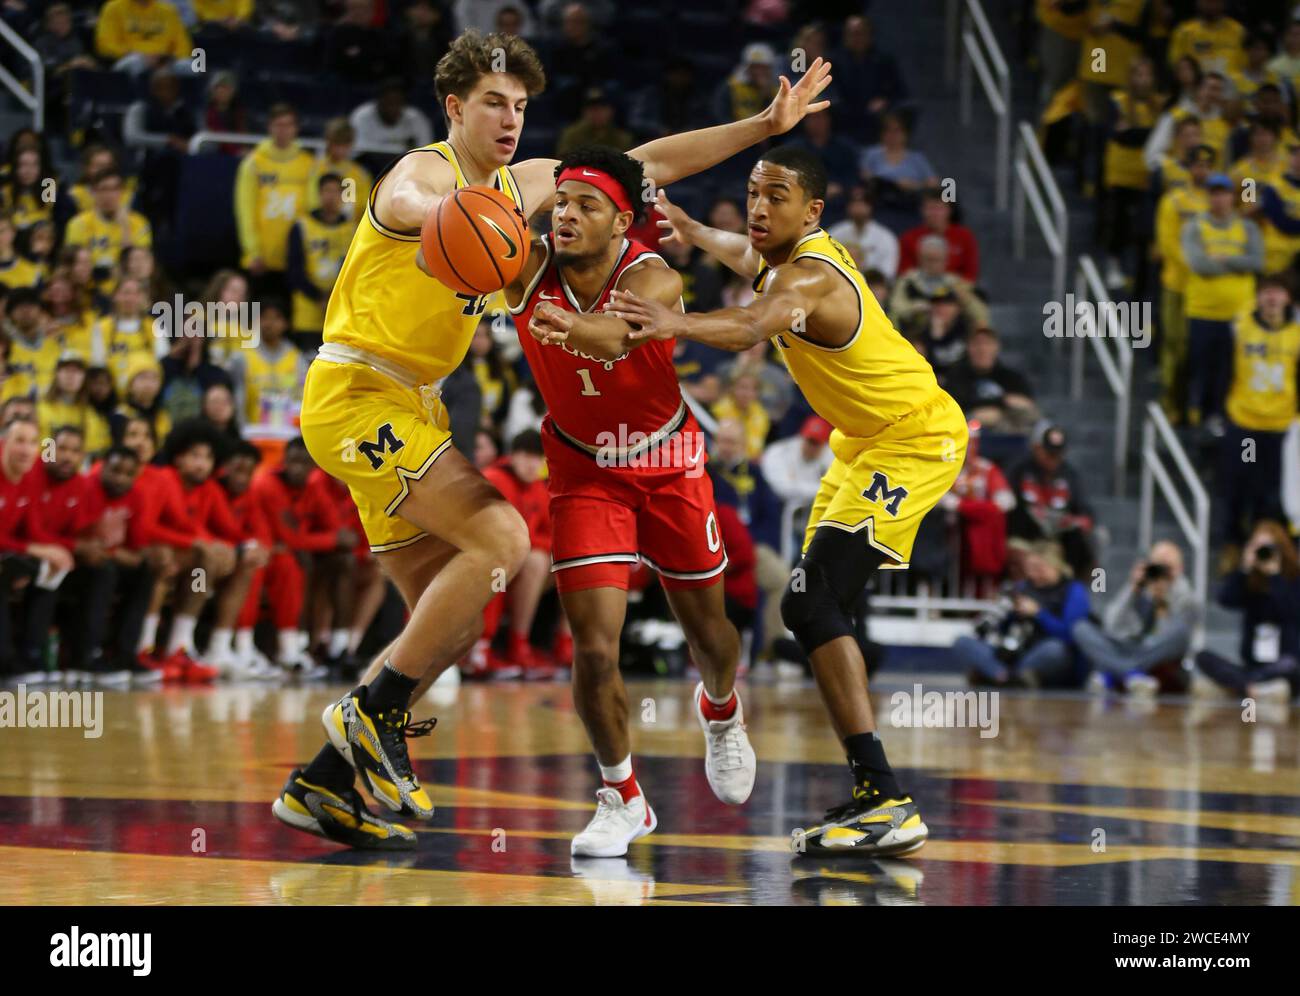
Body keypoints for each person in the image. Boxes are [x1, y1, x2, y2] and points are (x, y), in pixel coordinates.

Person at [279, 29, 832, 850]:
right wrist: (458, 218)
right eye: (494, 104)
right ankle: (369, 715)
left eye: (522, 106)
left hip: (418, 406)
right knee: (502, 536)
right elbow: (403, 203)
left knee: (451, 616)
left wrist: (762, 126)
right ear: (455, 107)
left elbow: (645, 164)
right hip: (359, 391)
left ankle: (324, 781)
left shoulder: (533, 184)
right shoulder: (425, 174)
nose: (510, 120)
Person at [603, 144, 967, 856]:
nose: (759, 207)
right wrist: (696, 231)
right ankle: (879, 795)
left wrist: (676, 325)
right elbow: (749, 257)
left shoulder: (810, 279)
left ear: (814, 211)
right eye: (753, 192)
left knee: (809, 602)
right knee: (811, 602)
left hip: (914, 439)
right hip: (864, 443)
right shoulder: (788, 259)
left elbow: (747, 325)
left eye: (775, 195)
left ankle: (885, 797)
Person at [511, 146, 759, 856]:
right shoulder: (526, 267)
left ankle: (720, 708)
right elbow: (464, 242)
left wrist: (575, 330)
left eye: (586, 206)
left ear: (623, 222)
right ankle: (621, 796)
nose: (566, 215)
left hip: (669, 462)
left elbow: (622, 335)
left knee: (709, 631)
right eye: (560, 203)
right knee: (592, 647)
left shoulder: (653, 273)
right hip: (584, 470)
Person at [1216, 274, 1300, 560]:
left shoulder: (1296, 333)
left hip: (1280, 430)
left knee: (1273, 492)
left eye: (1278, 292)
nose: (1272, 298)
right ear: (1258, 296)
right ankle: (1232, 545)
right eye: (1266, 292)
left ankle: (1264, 549)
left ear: (1288, 298)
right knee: (1241, 481)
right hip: (1247, 426)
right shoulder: (1241, 326)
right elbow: (1223, 368)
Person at [473, 429, 563, 680]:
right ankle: (483, 647)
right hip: (487, 558)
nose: (532, 464)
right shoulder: (494, 478)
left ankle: (546, 644)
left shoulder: (537, 488)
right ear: (512, 456)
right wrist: (534, 544)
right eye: (526, 456)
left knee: (567, 564)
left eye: (538, 458)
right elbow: (496, 533)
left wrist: (535, 544)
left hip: (513, 560)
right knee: (530, 560)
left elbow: (551, 534)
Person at [1182, 171, 1263, 430]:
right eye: (1213, 193)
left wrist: (1222, 258)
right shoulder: (1194, 226)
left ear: (1232, 196)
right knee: (1200, 365)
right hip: (1202, 310)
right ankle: (1194, 413)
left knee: (1229, 368)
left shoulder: (1248, 227)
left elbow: (1257, 262)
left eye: (1224, 193)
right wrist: (1236, 263)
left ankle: (1220, 415)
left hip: (1239, 313)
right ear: (1208, 197)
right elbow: (1198, 264)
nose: (1219, 199)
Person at [952, 539, 1090, 689]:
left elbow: (1072, 634)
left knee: (1055, 649)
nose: (1032, 574)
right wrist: (1005, 614)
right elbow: (999, 630)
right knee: (962, 642)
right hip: (1016, 652)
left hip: (1046, 653)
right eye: (1029, 568)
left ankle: (999, 675)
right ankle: (1005, 677)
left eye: (1039, 568)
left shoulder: (1073, 590)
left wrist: (1038, 613)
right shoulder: (1020, 588)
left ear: (1055, 565)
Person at [1074, 540, 1199, 694]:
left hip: (1156, 654)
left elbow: (1173, 640)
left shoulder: (1187, 598)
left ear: (1179, 569)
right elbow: (1111, 624)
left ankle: (1114, 672)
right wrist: (1132, 588)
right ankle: (1131, 674)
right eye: (1157, 566)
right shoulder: (1139, 586)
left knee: (1180, 631)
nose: (1161, 573)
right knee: (1080, 628)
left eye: (1167, 568)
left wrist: (1162, 601)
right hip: (1128, 645)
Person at [1194, 520, 1300, 700]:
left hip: (1283, 663)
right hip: (1253, 665)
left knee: (1290, 665)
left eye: (1268, 548)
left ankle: (1239, 687)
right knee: (1201, 656)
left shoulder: (1294, 579)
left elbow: (1291, 611)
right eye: (1257, 546)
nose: (1263, 552)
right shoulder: (1249, 581)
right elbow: (1225, 600)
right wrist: (1243, 568)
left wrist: (1274, 575)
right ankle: (1255, 689)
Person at [234, 104, 313, 300]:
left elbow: (311, 209)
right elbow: (245, 210)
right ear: (269, 127)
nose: (283, 130)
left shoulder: (309, 164)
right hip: (263, 259)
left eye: (288, 125)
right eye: (279, 125)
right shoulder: (254, 163)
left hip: (296, 257)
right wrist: (253, 251)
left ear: (296, 128)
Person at [1006, 422, 1096, 578]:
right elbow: (1006, 505)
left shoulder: (1069, 475)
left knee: (1089, 543)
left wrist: (1078, 521)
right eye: (1048, 453)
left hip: (1056, 541)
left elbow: (1084, 509)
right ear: (1036, 448)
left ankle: (1086, 590)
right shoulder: (1018, 470)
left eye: (1058, 453)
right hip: (1023, 538)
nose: (1053, 458)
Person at [286, 175, 352, 350]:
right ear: (319, 194)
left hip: (340, 311)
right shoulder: (301, 226)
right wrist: (319, 297)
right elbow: (294, 270)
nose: (331, 196)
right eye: (326, 191)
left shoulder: (352, 229)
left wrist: (334, 297)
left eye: (336, 191)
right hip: (308, 309)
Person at [826, 183, 898, 278]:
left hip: (871, 287)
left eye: (863, 203)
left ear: (871, 207)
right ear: (848, 206)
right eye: (854, 203)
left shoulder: (885, 237)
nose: (858, 207)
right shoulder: (835, 232)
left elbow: (888, 273)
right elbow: (825, 264)